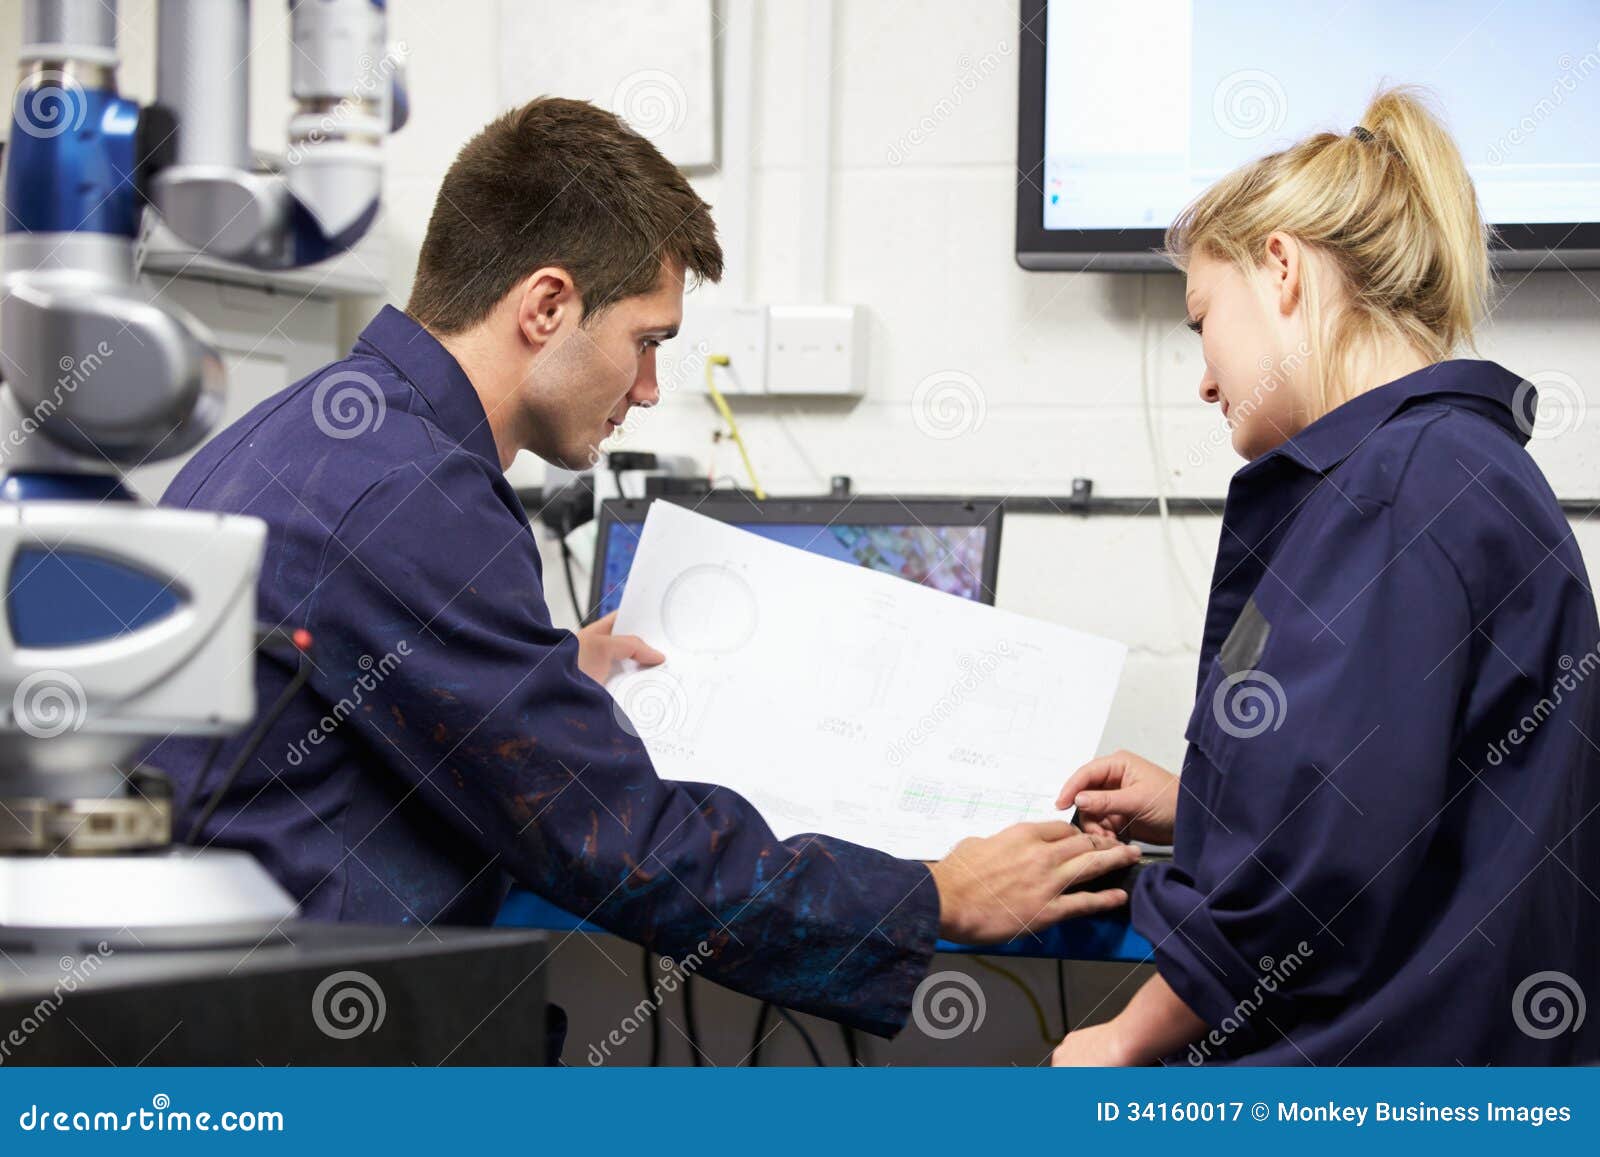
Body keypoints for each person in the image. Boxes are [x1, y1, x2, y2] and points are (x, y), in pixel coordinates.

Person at [147, 97, 1139, 1045]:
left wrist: (529, 677)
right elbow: (613, 834)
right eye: (648, 341)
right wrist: (934, 893)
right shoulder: (412, 494)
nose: (654, 387)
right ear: (547, 304)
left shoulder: (317, 431)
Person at [1052, 87, 1599, 1066]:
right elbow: (1400, 789)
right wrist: (1203, 805)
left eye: (1201, 321)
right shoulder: (1457, 466)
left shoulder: (1388, 491)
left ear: (1281, 268)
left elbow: (1315, 868)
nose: (1205, 379)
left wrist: (1120, 1038)